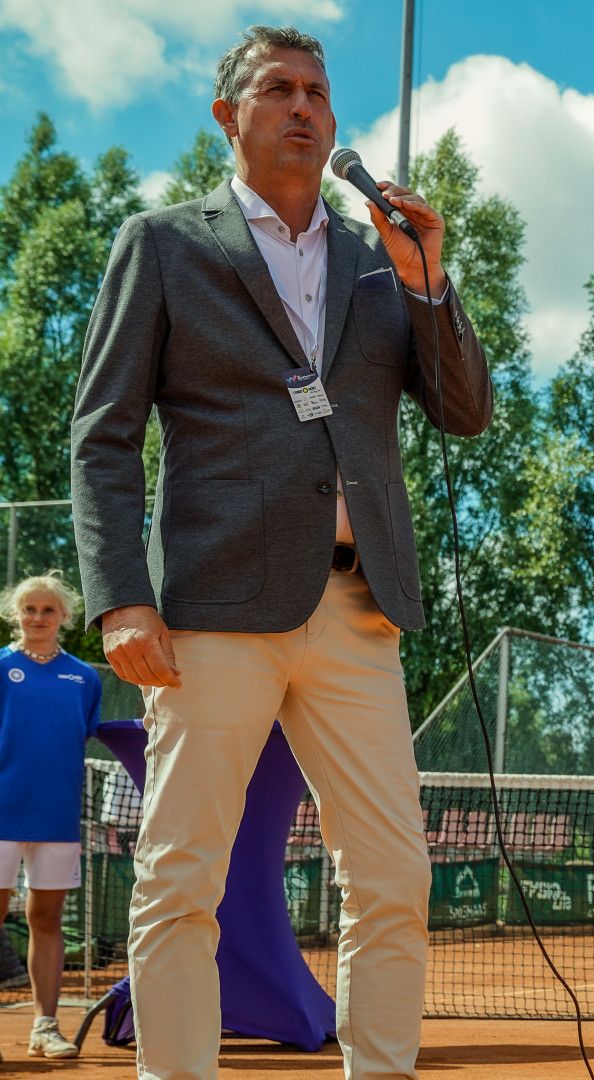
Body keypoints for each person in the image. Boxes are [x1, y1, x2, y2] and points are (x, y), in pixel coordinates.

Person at [69, 24, 490, 1080]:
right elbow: (104, 435)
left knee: (394, 874)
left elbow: (464, 411)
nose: (304, 106)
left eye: (318, 91)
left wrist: (430, 284)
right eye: (278, 88)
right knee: (180, 876)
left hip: (359, 611)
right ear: (230, 114)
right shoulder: (164, 243)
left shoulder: (374, 261)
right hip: (211, 610)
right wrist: (122, 596)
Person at [0, 573, 101, 1061]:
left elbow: (79, 737)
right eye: (29, 609)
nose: (37, 618)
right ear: (14, 614)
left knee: (47, 918)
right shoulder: (0, 667)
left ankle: (45, 1027)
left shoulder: (85, 677)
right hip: (1, 816)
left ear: (64, 616)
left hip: (57, 819)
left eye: (48, 610)